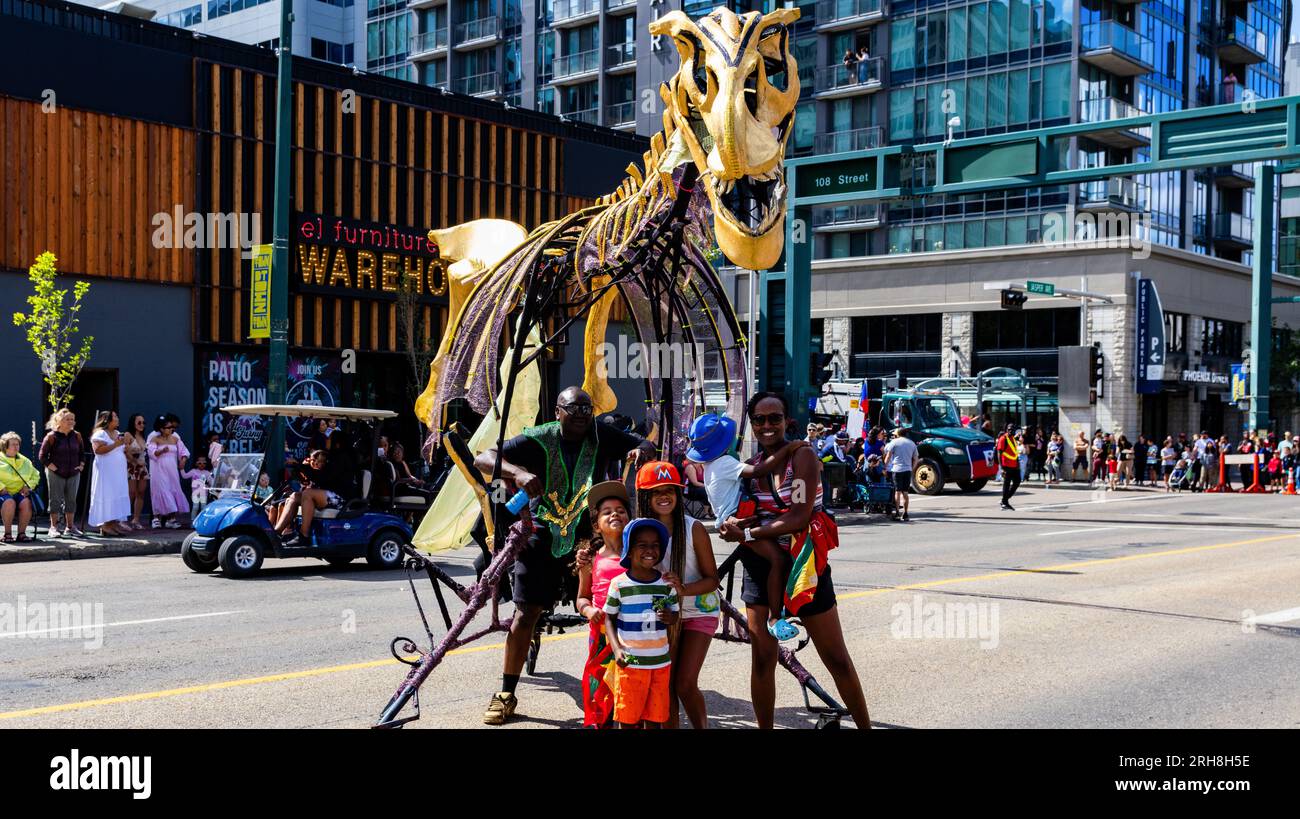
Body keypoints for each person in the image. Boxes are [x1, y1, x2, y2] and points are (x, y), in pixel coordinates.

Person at [473, 385, 655, 725]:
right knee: (525, 614)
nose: (582, 416)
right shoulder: (538, 437)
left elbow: (644, 443)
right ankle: (506, 693)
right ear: (557, 411)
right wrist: (518, 473)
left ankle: (613, 689)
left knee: (604, 610)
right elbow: (483, 457)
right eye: (574, 410)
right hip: (540, 534)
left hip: (586, 538)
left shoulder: (601, 433)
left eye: (587, 409)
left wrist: (641, 450)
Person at [719, 391, 872, 730]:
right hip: (761, 566)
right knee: (763, 659)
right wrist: (735, 524)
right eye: (759, 419)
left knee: (835, 659)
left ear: (787, 421)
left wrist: (748, 534)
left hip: (805, 566)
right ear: (752, 424)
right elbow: (752, 512)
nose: (767, 425)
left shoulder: (801, 456)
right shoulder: (753, 465)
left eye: (775, 418)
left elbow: (800, 516)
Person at [683, 414, 806, 641]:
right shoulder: (724, 463)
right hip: (738, 520)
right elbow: (760, 471)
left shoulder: (711, 466)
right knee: (779, 560)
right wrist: (790, 449)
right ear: (723, 443)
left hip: (732, 520)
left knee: (777, 559)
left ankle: (779, 608)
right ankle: (774, 618)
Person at [633, 460, 721, 729]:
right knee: (665, 683)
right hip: (663, 614)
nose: (664, 497)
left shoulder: (693, 528)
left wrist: (684, 589)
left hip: (699, 611)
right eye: (657, 491)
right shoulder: (638, 529)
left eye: (669, 490)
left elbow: (712, 580)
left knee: (684, 682)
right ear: (645, 497)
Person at [603, 517, 679, 729]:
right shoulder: (619, 585)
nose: (650, 550)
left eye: (655, 545)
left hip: (660, 664)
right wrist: (616, 649)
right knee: (628, 719)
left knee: (654, 720)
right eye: (642, 545)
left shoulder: (666, 584)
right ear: (629, 549)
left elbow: (675, 615)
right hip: (630, 663)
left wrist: (669, 617)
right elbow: (609, 618)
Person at [574, 481, 631, 728]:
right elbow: (582, 598)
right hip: (601, 638)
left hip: (634, 635)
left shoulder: (642, 553)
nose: (615, 514)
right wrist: (589, 610)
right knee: (601, 692)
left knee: (631, 695)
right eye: (607, 511)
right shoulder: (590, 559)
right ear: (597, 526)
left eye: (620, 510)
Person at [38, 409, 85, 537]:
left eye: (72, 419)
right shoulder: (51, 436)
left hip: (74, 473)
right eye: (67, 419)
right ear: (59, 421)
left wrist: (81, 465)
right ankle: (53, 527)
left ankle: (70, 527)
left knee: (71, 500)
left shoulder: (77, 435)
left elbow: (82, 453)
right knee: (55, 500)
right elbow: (42, 456)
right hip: (56, 474)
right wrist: (51, 467)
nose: (71, 422)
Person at [88, 412, 132, 537]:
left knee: (117, 493)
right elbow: (97, 450)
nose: (118, 419)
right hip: (105, 472)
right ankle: (105, 525)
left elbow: (121, 450)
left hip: (118, 472)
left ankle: (113, 523)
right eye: (115, 417)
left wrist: (126, 446)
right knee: (107, 493)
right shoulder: (100, 433)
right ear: (107, 420)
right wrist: (116, 444)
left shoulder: (118, 434)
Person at [148, 415, 190, 529]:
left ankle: (171, 519)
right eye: (168, 427)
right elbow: (151, 453)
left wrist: (183, 460)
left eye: (171, 426)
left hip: (172, 471)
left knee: (173, 490)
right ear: (161, 429)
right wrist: (161, 451)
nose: (171, 429)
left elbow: (184, 451)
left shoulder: (175, 438)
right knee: (160, 490)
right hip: (159, 470)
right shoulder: (154, 438)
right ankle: (156, 518)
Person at [0, 431, 41, 543]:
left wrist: (28, 486)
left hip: (19, 493)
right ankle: (7, 534)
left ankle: (21, 534)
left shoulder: (25, 461)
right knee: (9, 502)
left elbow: (35, 475)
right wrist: (1, 487)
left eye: (18, 444)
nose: (16, 446)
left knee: (26, 503)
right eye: (13, 444)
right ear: (5, 445)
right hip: (2, 494)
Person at [883, 426, 918, 521]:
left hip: (897, 469)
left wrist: (885, 467)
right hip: (907, 469)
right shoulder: (912, 443)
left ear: (898, 434)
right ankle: (905, 513)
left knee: (897, 492)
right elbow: (915, 458)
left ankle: (897, 513)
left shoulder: (894, 442)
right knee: (905, 492)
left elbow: (888, 456)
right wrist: (912, 468)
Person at [123, 414, 150, 530]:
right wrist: (134, 461)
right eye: (139, 422)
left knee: (141, 493)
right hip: (131, 466)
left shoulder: (143, 437)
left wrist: (140, 463)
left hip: (142, 467)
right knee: (131, 493)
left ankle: (136, 519)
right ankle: (124, 519)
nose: (142, 425)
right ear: (133, 423)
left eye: (143, 422)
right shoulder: (128, 435)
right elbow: (124, 451)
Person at [996, 423, 1021, 510]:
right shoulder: (1003, 439)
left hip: (1014, 465)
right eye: (1009, 429)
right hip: (1006, 465)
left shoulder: (1013, 439)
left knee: (1017, 482)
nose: (1010, 430)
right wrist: (1001, 468)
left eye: (1012, 429)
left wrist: (1017, 463)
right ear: (1006, 429)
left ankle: (1004, 499)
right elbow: (999, 453)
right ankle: (1005, 502)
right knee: (1006, 484)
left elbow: (1015, 452)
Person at [182, 455, 214, 519]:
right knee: (195, 507)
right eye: (200, 463)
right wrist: (181, 469)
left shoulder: (207, 473)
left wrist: (210, 484)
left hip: (204, 494)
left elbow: (212, 483)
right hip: (195, 493)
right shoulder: (193, 471)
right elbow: (184, 476)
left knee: (203, 507)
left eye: (204, 463)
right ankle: (193, 522)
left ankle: (202, 522)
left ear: (206, 464)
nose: (202, 464)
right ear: (196, 464)